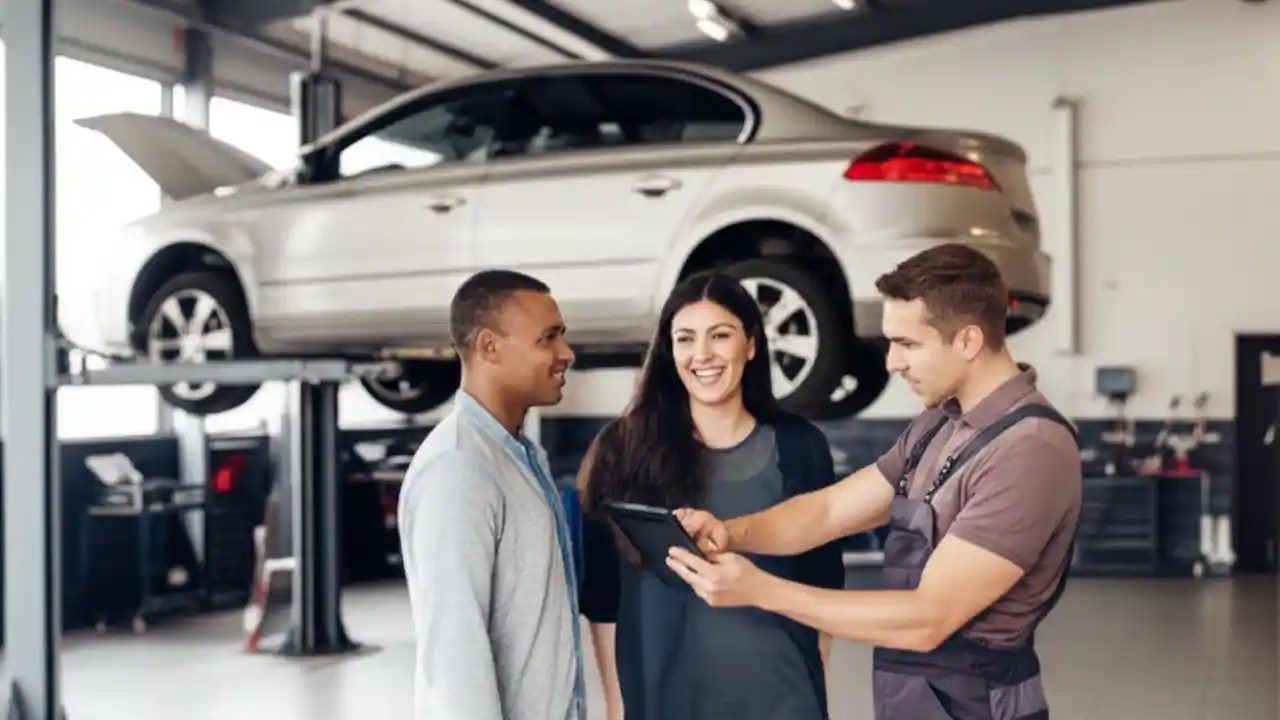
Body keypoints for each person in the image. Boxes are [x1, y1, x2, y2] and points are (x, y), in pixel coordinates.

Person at [666, 244, 1082, 720]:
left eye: (907, 344)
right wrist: (730, 532)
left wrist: (762, 591)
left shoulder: (1029, 448)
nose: (890, 362)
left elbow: (930, 618)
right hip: (917, 696)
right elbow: (829, 511)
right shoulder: (938, 424)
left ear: (967, 341)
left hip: (979, 705)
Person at [577, 270, 845, 720]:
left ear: (752, 344)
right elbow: (605, 600)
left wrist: (811, 691)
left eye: (720, 335)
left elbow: (821, 583)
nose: (702, 355)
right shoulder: (622, 450)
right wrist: (618, 710)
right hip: (666, 704)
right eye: (685, 339)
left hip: (782, 702)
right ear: (669, 351)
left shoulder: (800, 446)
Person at [397, 269, 586, 720]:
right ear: (489, 346)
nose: (566, 354)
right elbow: (454, 656)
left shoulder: (520, 455)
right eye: (548, 339)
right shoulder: (459, 469)